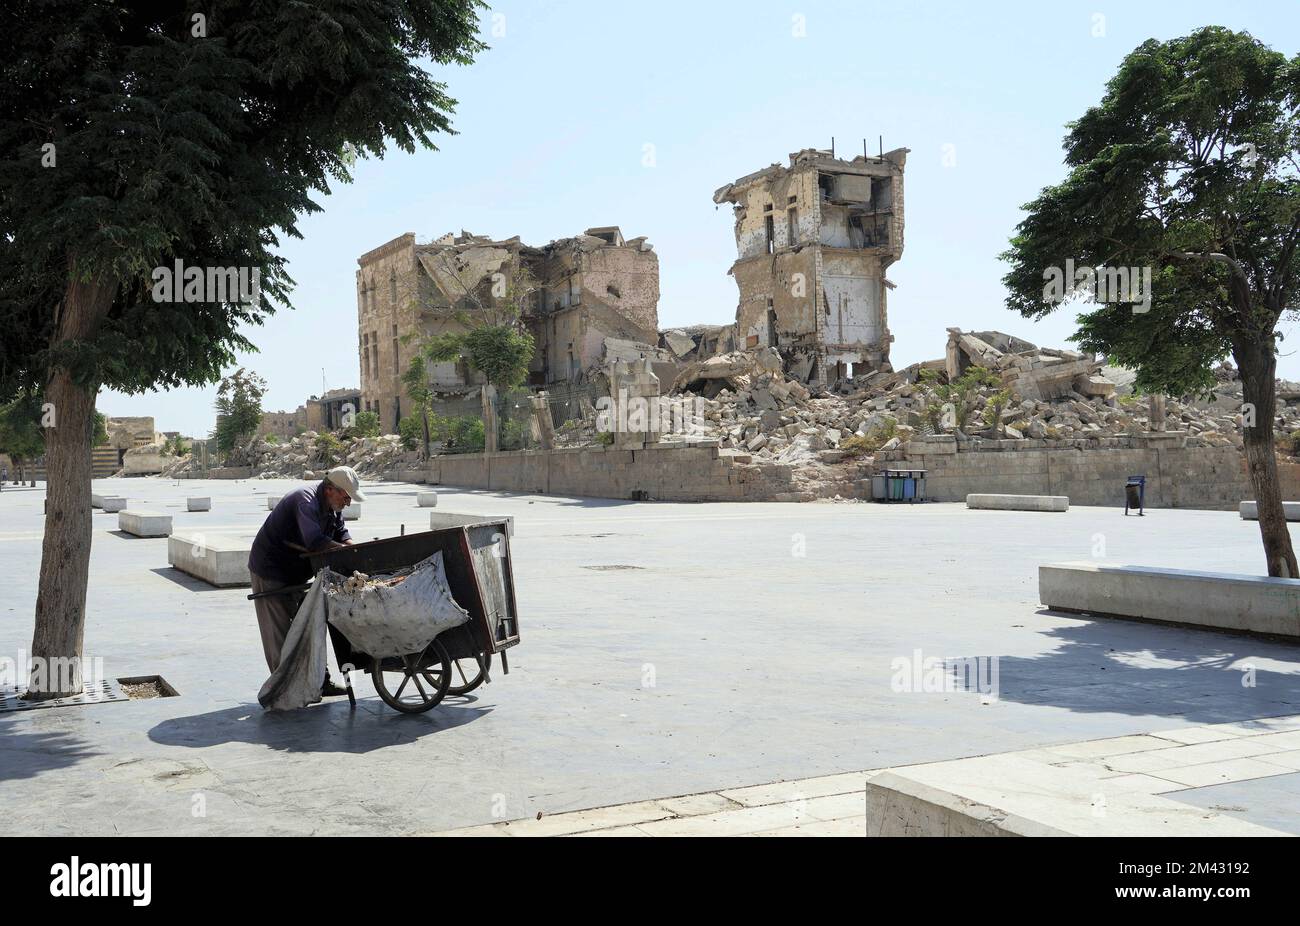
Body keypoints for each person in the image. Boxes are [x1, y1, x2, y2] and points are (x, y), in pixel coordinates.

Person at [248, 465, 366, 696]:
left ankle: (321, 681)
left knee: (312, 626)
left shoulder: (333, 505)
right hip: (271, 570)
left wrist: (356, 552)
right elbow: (315, 541)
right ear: (330, 489)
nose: (348, 502)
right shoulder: (305, 501)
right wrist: (345, 552)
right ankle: (283, 691)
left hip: (298, 570)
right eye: (346, 496)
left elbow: (340, 533)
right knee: (279, 633)